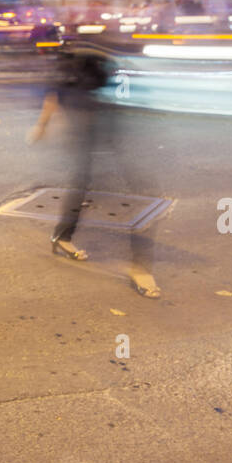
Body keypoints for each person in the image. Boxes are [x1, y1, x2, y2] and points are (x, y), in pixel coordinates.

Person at [28, 44, 160, 299]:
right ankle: (63, 236)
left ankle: (140, 266)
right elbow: (55, 89)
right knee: (83, 180)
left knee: (139, 187)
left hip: (107, 116)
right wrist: (42, 125)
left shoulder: (104, 38)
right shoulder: (75, 44)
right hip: (83, 119)